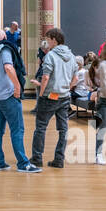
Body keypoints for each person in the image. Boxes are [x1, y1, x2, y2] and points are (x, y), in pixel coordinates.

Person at [0, 28, 37, 172]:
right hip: (7, 95)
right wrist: (17, 86)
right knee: (17, 129)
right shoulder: (5, 50)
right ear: (5, 37)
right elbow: (8, 67)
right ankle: (23, 163)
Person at [30, 27, 78, 169]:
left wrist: (41, 94)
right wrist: (66, 88)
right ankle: (59, 159)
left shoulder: (50, 56)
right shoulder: (72, 56)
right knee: (63, 129)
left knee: (40, 128)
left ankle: (37, 158)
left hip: (49, 96)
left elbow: (46, 77)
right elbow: (75, 78)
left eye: (48, 39)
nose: (46, 42)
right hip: (64, 97)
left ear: (54, 40)